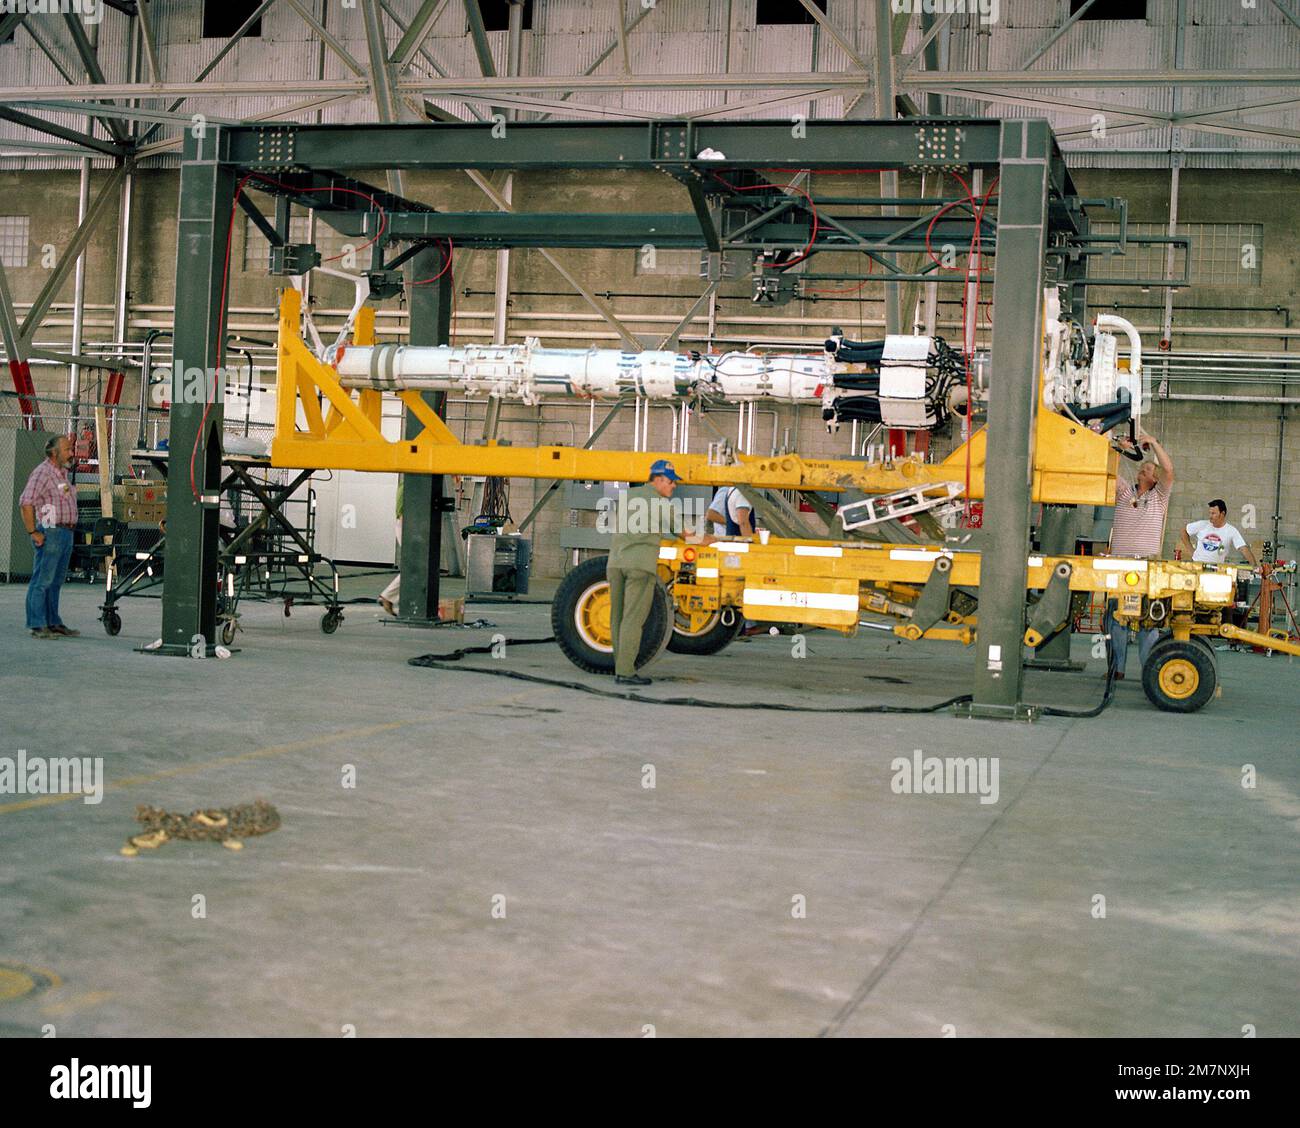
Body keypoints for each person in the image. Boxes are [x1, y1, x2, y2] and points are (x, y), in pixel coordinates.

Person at [606, 459, 707, 687]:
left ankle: (619, 666)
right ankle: (625, 672)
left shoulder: (626, 498)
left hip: (615, 563)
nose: (674, 487)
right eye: (671, 482)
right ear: (659, 479)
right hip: (640, 566)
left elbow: (634, 528)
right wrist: (713, 540)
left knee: (617, 618)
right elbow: (688, 535)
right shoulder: (662, 504)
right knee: (632, 620)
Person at [1104, 427, 1174, 679]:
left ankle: (1150, 672)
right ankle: (1117, 669)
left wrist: (1153, 442)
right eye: (1143, 467)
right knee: (1115, 617)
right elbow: (1108, 471)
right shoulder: (1125, 492)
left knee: (1149, 620)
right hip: (1119, 565)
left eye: (1148, 469)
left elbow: (1169, 470)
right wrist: (1114, 445)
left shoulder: (1159, 497)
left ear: (1154, 479)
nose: (1143, 469)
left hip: (1146, 565)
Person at [19, 435, 81, 639]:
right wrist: (33, 532)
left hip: (65, 532)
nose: (71, 453)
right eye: (67, 449)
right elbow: (26, 501)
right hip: (50, 530)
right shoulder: (43, 473)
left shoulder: (61, 474)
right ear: (54, 453)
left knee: (55, 581)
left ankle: (53, 622)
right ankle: (37, 624)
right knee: (43, 580)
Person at [1178, 499, 1259, 568]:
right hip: (1197, 566)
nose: (1210, 516)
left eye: (1213, 513)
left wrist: (1254, 566)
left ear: (1222, 514)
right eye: (1210, 513)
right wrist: (1191, 550)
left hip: (1216, 569)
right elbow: (1183, 530)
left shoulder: (1231, 530)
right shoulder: (1202, 525)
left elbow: (1243, 548)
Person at [379, 478, 403, 616]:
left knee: (414, 568)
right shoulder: (408, 487)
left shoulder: (405, 485)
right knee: (413, 568)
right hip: (406, 526)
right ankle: (388, 596)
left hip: (404, 525)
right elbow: (402, 513)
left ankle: (389, 597)